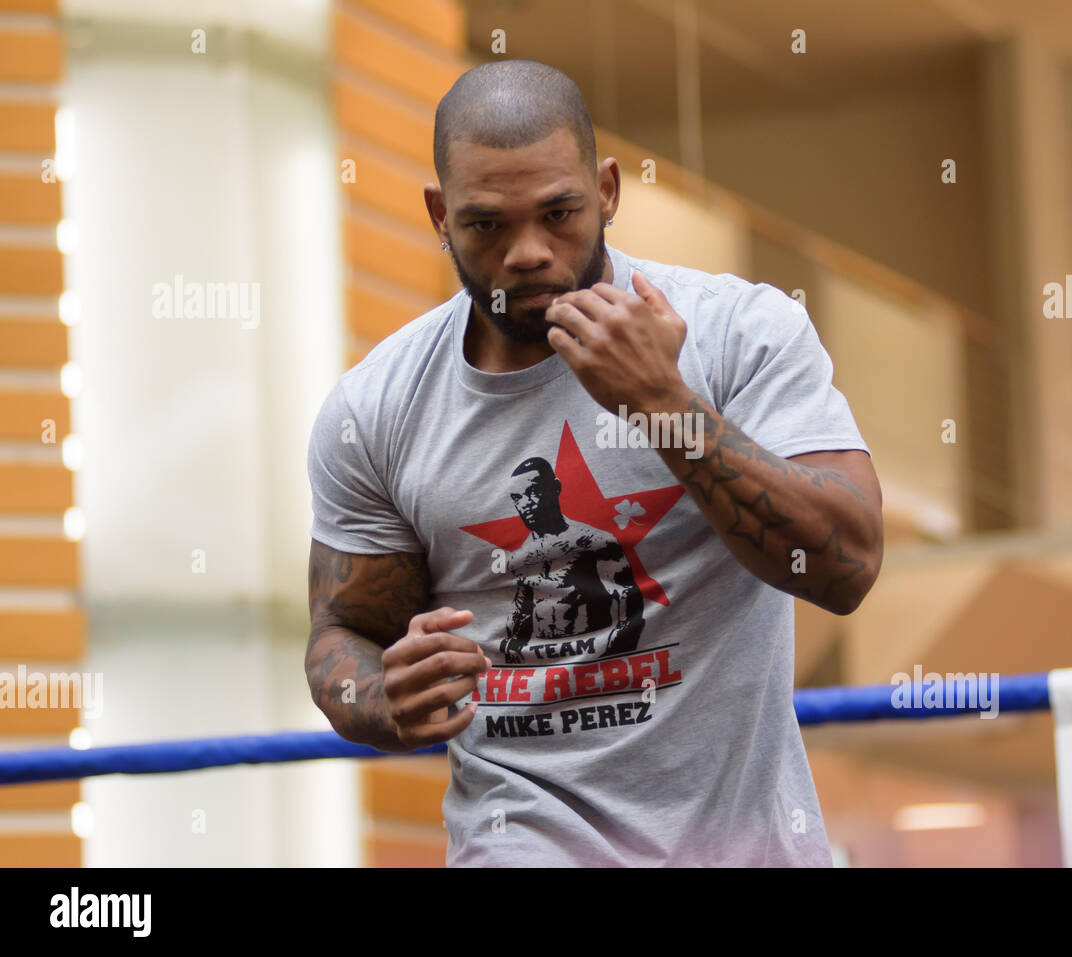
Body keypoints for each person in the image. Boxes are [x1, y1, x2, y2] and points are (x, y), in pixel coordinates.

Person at [305, 59, 884, 867]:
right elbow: (343, 634)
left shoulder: (741, 332)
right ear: (439, 215)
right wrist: (378, 696)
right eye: (486, 225)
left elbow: (847, 564)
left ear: (607, 190)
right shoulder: (378, 408)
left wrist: (661, 402)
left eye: (559, 212)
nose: (527, 253)